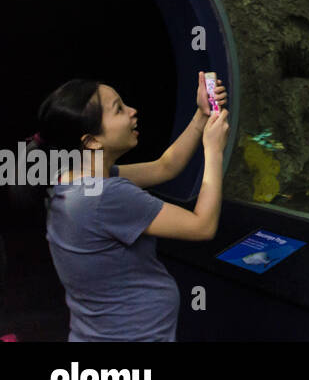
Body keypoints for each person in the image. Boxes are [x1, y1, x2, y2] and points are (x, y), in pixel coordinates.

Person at [38, 72, 230, 341]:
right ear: (91, 141)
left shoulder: (74, 179)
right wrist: (214, 150)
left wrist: (201, 117)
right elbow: (202, 225)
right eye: (119, 109)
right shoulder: (104, 197)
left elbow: (165, 167)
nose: (132, 111)